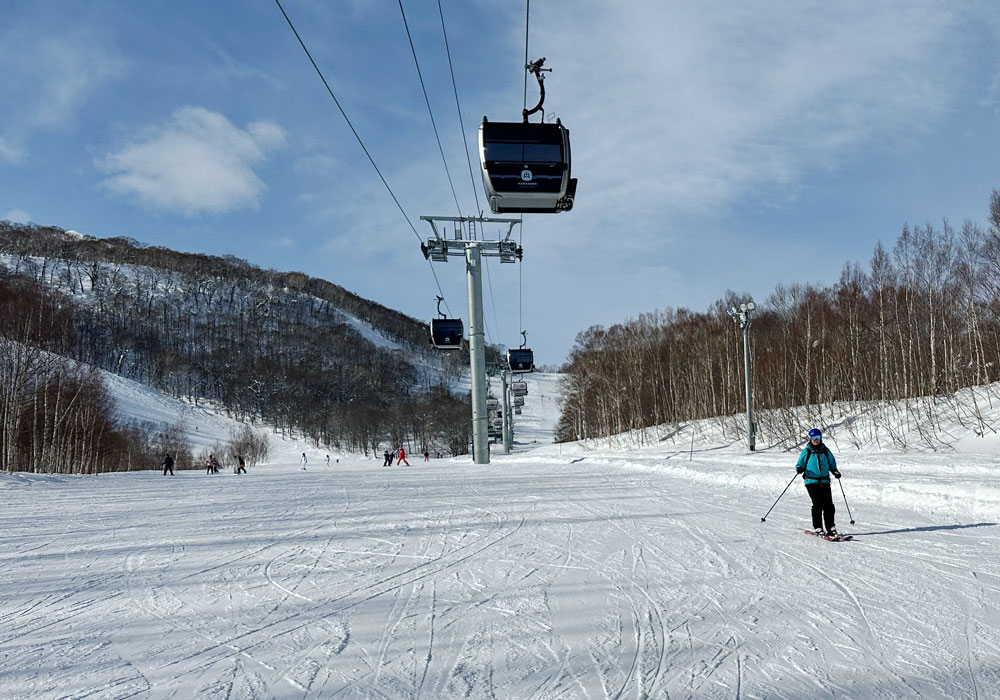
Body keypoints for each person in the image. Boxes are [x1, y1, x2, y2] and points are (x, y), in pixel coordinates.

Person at [795, 428, 842, 536]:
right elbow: (799, 464)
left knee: (829, 505)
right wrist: (800, 469)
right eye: (814, 438)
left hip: (825, 480)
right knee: (817, 504)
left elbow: (831, 463)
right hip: (811, 481)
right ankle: (818, 527)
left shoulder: (825, 450)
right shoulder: (806, 451)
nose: (816, 440)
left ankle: (830, 527)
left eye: (818, 438)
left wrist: (835, 471)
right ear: (810, 439)